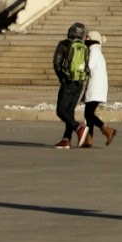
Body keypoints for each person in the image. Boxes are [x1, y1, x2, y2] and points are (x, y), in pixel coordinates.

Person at [52, 20, 88, 148]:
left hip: (68, 82)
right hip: (79, 83)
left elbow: (57, 63)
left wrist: (62, 78)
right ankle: (66, 139)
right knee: (70, 111)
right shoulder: (84, 46)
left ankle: (78, 128)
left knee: (61, 111)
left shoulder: (64, 44)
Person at [82, 30, 117, 147]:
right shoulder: (97, 51)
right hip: (98, 87)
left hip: (95, 87)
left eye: (87, 38)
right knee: (89, 113)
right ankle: (88, 139)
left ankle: (107, 130)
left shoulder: (94, 51)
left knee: (88, 114)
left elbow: (89, 66)